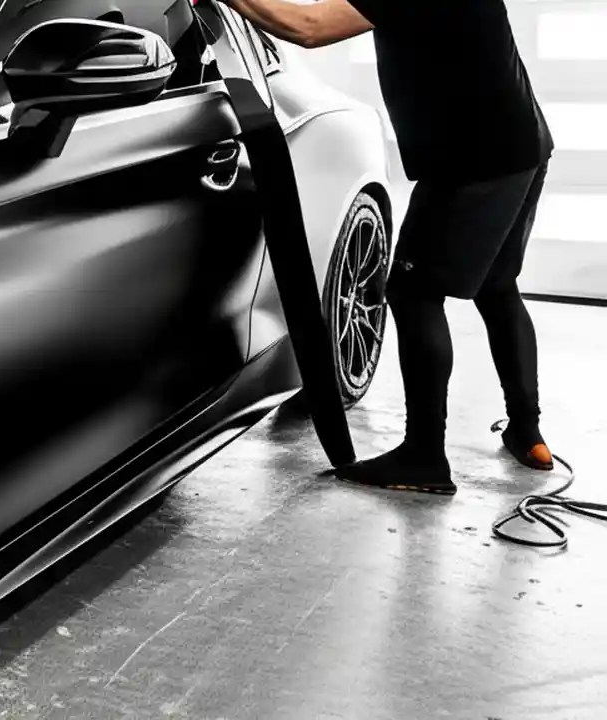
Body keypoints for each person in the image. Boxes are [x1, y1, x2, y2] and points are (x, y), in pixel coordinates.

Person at [218, 0, 556, 495]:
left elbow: (309, 27)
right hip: (521, 143)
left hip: (474, 159)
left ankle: (424, 457)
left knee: (413, 293)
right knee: (498, 285)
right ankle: (528, 432)